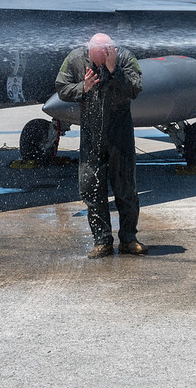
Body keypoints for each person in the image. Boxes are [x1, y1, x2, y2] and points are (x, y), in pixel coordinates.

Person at [55, 33, 147, 259]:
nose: (97, 66)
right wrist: (82, 88)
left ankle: (128, 239)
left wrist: (114, 70)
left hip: (120, 134)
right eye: (94, 61)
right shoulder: (76, 59)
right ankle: (102, 241)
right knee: (92, 189)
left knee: (125, 189)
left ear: (109, 51)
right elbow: (61, 88)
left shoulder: (124, 58)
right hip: (91, 135)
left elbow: (135, 89)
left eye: (101, 61)